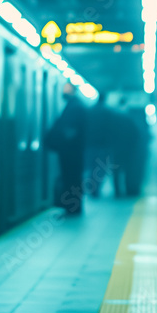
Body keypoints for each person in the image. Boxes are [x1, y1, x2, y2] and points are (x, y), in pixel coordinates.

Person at [44, 83, 87, 215]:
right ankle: (73, 206)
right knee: (73, 178)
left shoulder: (74, 107)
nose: (64, 91)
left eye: (66, 88)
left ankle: (72, 207)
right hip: (74, 151)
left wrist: (61, 140)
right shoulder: (77, 105)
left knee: (71, 178)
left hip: (71, 152)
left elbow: (70, 130)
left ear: (73, 90)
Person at [85, 93, 116, 198]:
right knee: (100, 169)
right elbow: (112, 130)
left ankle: (90, 189)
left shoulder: (90, 110)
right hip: (104, 145)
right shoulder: (108, 112)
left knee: (90, 167)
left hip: (90, 144)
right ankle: (96, 189)